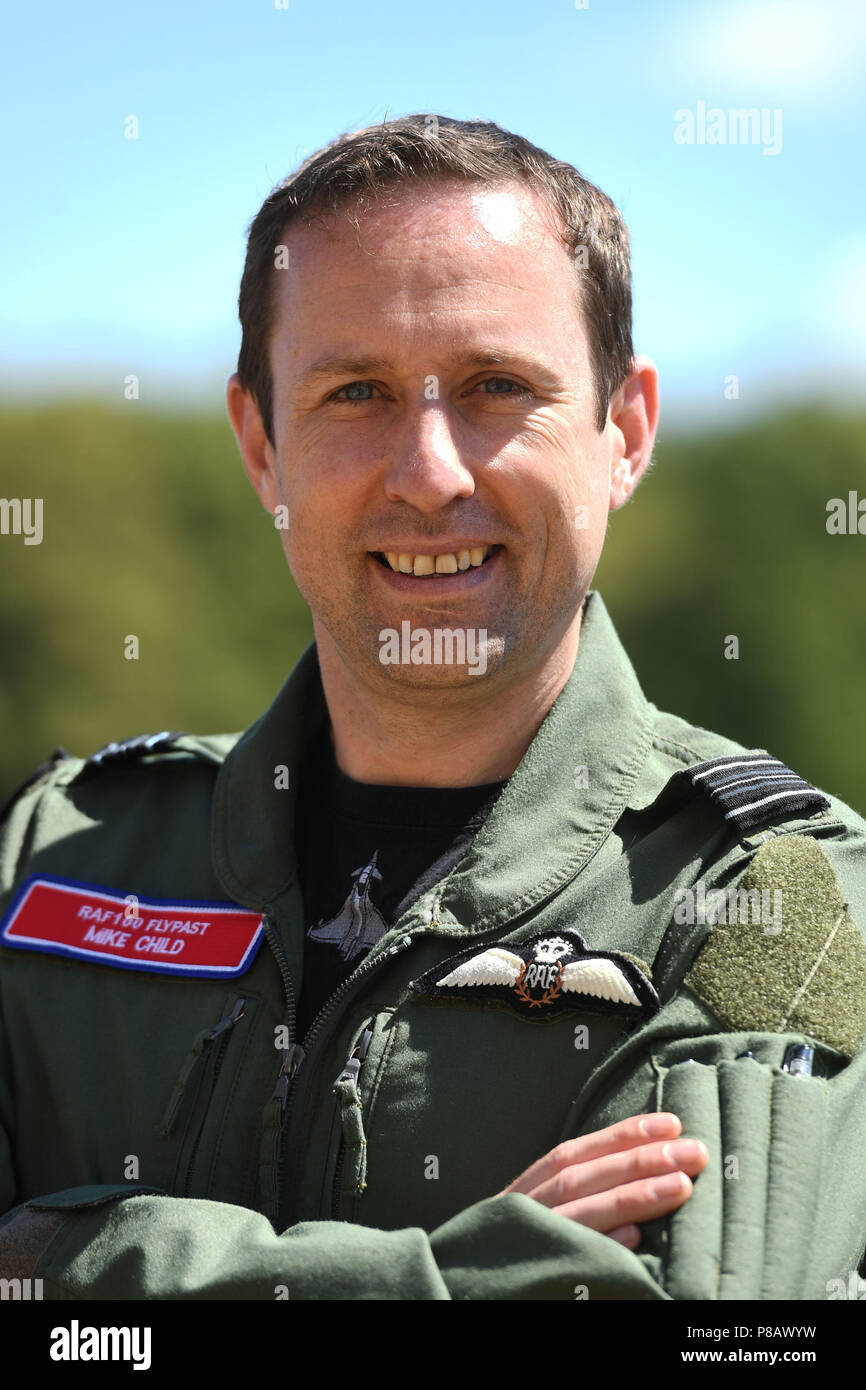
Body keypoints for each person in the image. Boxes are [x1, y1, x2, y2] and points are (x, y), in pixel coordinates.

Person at [1, 114, 865, 1302]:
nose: (428, 471)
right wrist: (462, 1279)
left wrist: (62, 1258)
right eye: (354, 390)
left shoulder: (770, 892)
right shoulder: (56, 861)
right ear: (261, 446)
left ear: (624, 431)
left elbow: (712, 1318)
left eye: (495, 385)